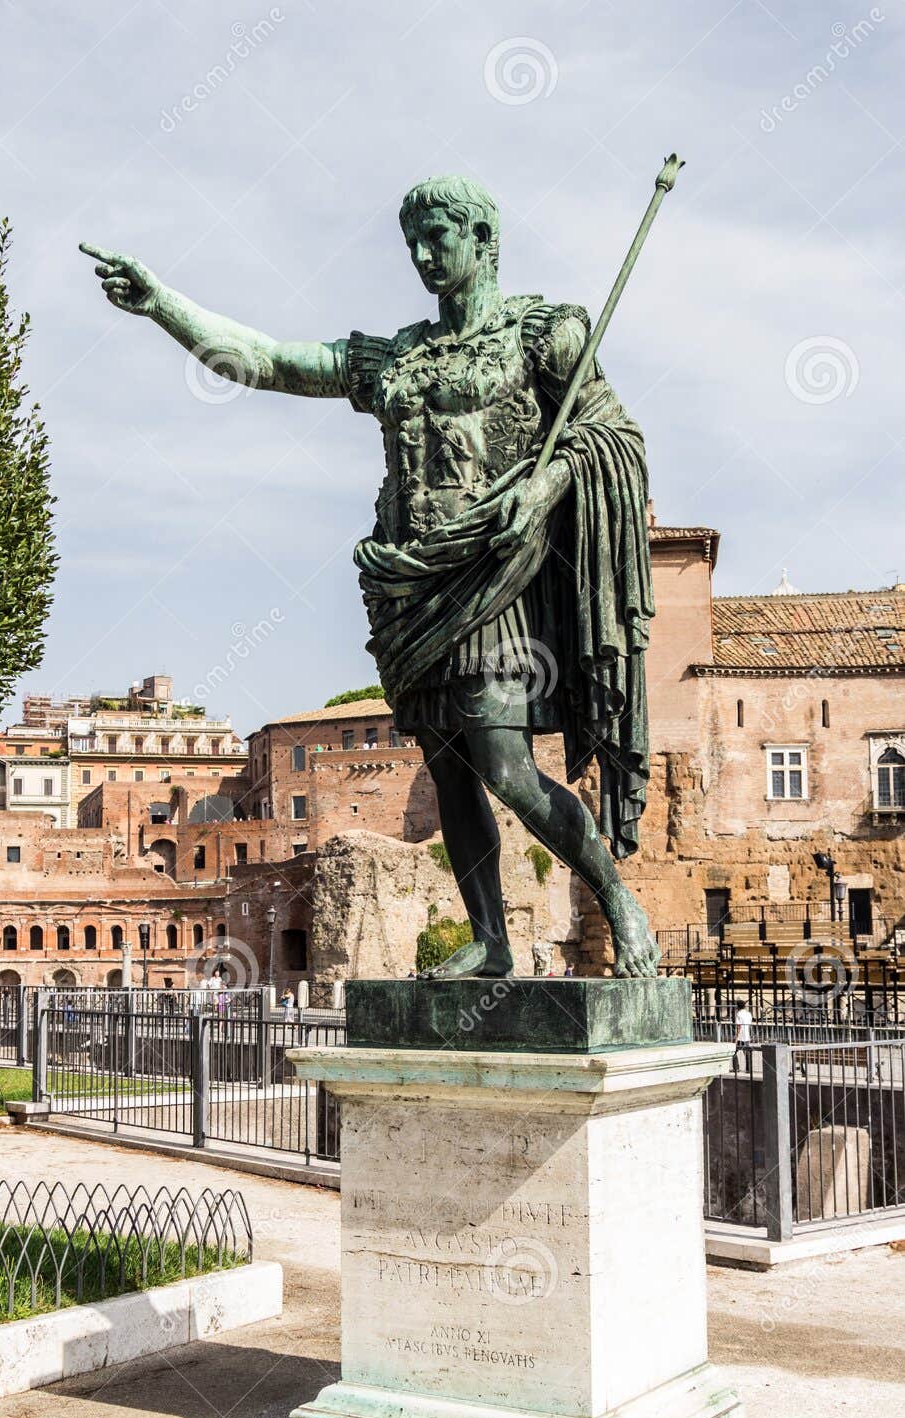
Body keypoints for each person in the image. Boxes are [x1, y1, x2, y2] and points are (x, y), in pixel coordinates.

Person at [81, 173, 659, 980]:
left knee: (504, 764)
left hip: (493, 574)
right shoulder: (396, 357)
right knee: (450, 767)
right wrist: (163, 305)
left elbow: (610, 434)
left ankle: (619, 905)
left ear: (483, 240)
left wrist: (545, 486)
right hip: (408, 587)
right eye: (411, 243)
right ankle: (491, 942)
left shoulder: (543, 334)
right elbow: (273, 362)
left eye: (438, 238)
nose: (422, 256)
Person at [734, 999, 754, 1071]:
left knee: (734, 1051)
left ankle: (736, 1068)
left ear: (737, 1007)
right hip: (747, 1036)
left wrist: (736, 1037)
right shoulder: (748, 1013)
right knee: (747, 1053)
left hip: (740, 1037)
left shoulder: (738, 1014)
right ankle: (749, 1069)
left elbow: (738, 1026)